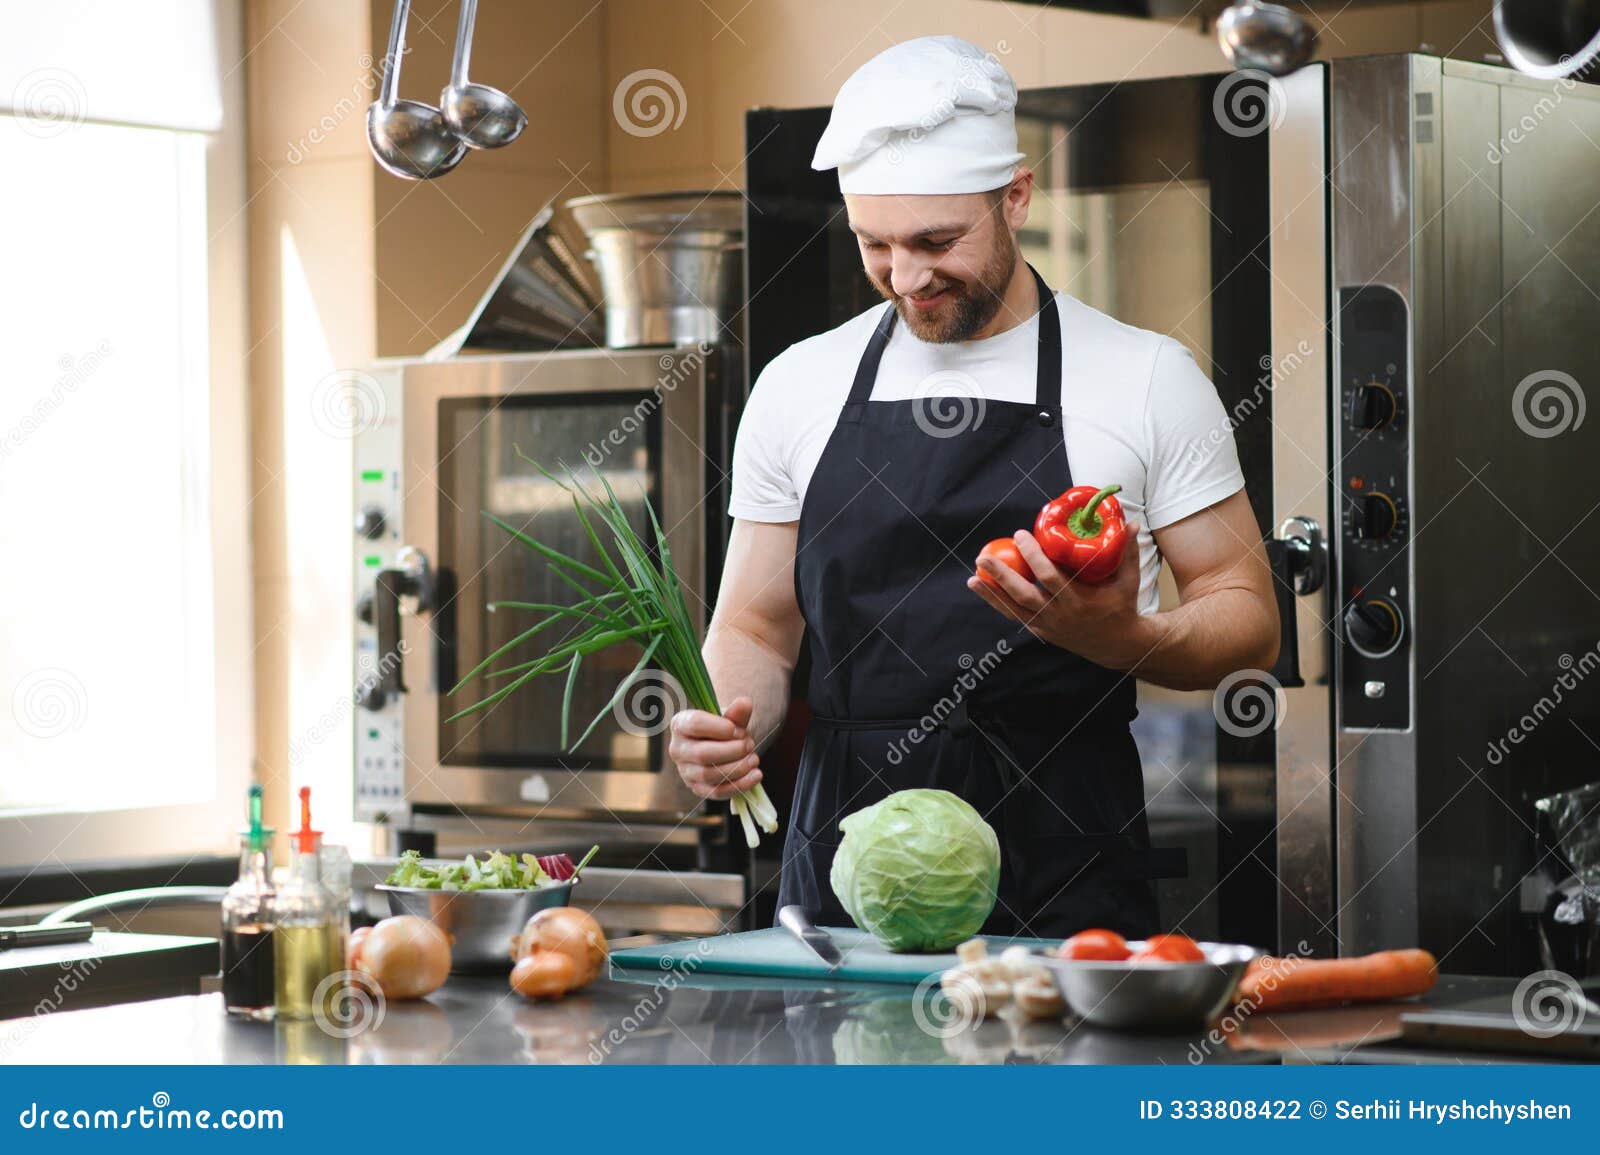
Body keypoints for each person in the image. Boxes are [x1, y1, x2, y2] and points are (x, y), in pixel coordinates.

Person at [668, 35, 1279, 938]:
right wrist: (727, 724)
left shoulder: (1145, 376)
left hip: (1064, 853)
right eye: (875, 245)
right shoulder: (799, 382)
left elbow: (1248, 617)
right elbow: (756, 625)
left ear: (1017, 195)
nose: (907, 279)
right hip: (853, 860)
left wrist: (1126, 636)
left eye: (936, 241)